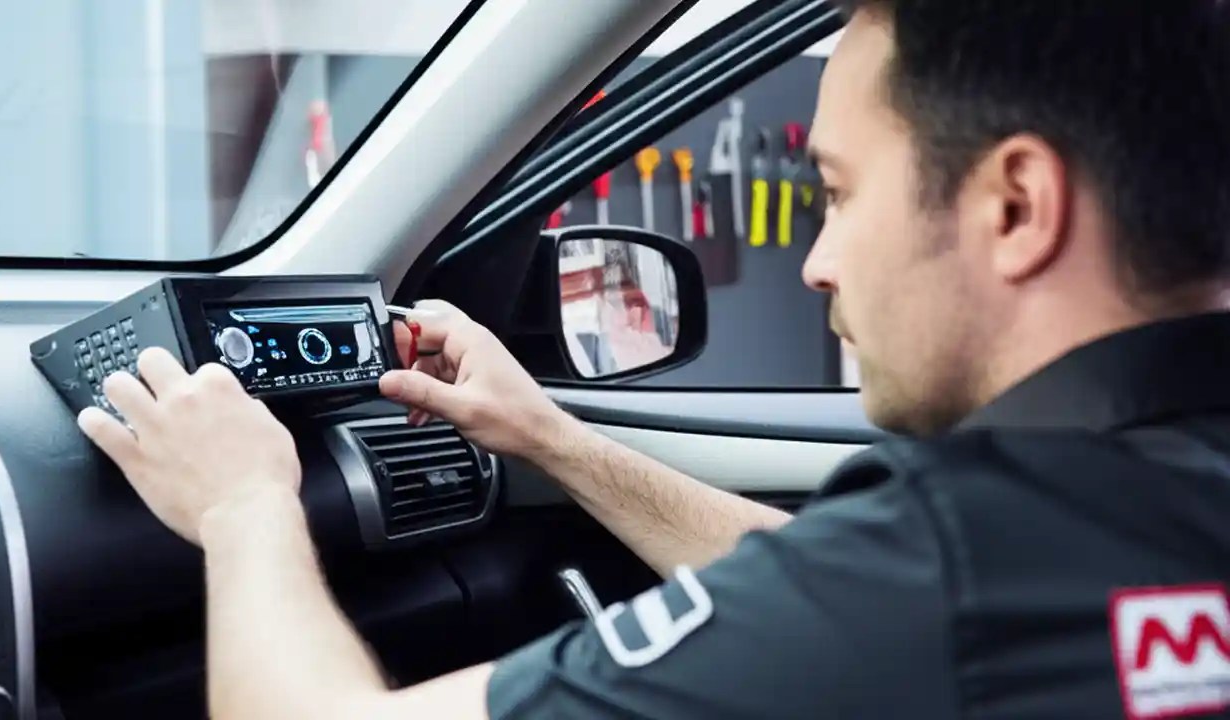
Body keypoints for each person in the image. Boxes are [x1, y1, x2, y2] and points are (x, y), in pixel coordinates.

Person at [78, 1, 1230, 718]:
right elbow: (826, 582)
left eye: (835, 191)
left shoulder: (954, 565)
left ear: (1015, 205)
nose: (819, 260)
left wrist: (240, 506)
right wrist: (550, 440)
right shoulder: (1106, 519)